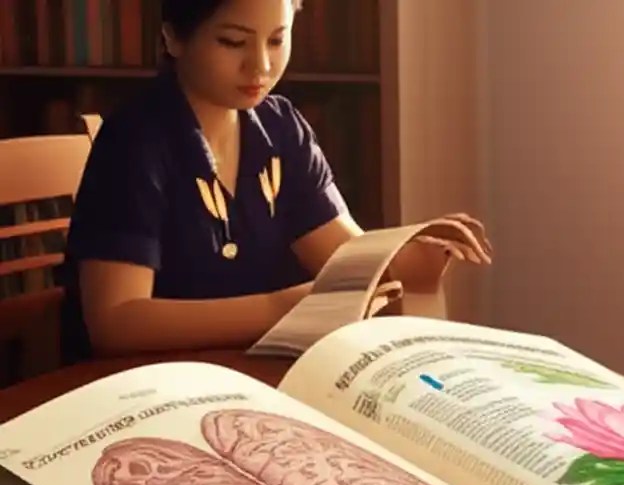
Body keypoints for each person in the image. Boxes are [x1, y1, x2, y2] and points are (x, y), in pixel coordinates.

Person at [59, 0, 492, 363]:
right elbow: (116, 322)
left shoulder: (280, 126)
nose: (260, 66)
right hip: (141, 388)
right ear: (173, 38)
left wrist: (407, 256)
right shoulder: (135, 141)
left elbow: (340, 257)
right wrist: (285, 308)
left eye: (277, 39)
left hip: (250, 371)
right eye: (232, 42)